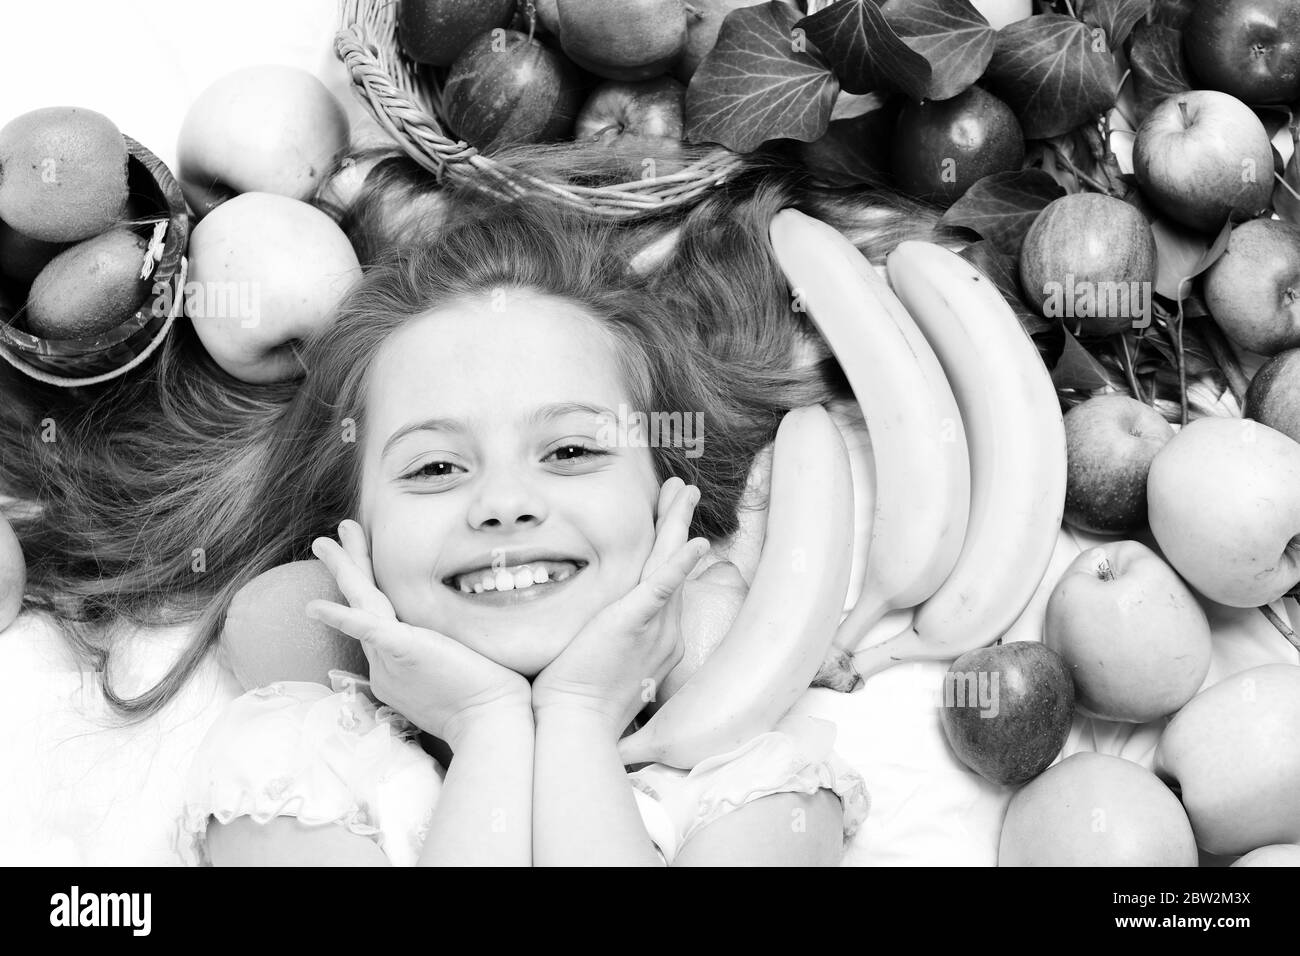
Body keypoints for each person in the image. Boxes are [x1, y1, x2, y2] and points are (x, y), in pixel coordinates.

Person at [0, 144, 949, 865]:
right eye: (434, 469)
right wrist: (492, 725)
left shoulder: (757, 779)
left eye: (572, 449)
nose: (502, 503)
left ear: (673, 500)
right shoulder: (283, 765)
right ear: (351, 537)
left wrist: (577, 718)